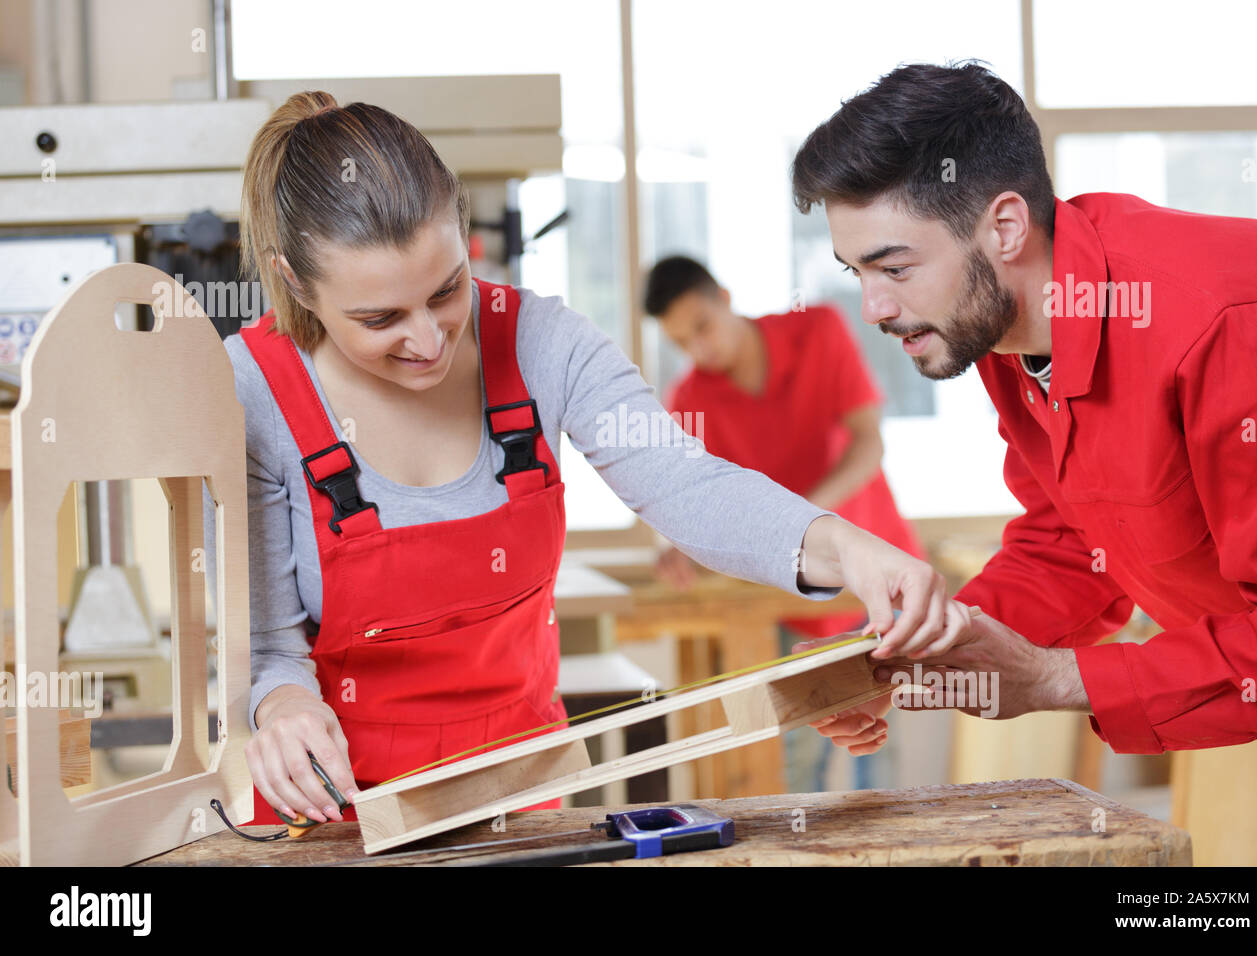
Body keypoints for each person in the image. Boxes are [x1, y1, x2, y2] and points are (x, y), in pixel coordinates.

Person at [202, 91, 970, 827]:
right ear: (295, 280)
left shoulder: (543, 343)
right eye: (380, 318)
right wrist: (284, 708)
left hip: (523, 794)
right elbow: (269, 647)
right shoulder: (252, 391)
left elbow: (687, 485)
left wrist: (848, 549)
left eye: (446, 291)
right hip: (338, 817)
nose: (431, 341)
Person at [789, 61, 1257, 864]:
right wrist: (921, 651)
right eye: (859, 274)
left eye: (894, 268)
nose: (875, 309)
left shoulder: (1222, 322)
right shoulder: (1006, 334)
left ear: (1004, 226)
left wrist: (1060, 679)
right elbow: (1071, 541)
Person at [644, 254, 926, 792]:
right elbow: (685, 497)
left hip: (873, 576)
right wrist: (677, 543)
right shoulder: (689, 398)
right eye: (682, 342)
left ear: (725, 299)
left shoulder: (818, 329)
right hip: (786, 595)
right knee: (800, 756)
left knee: (879, 754)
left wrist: (806, 521)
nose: (700, 349)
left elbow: (869, 443)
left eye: (702, 327)